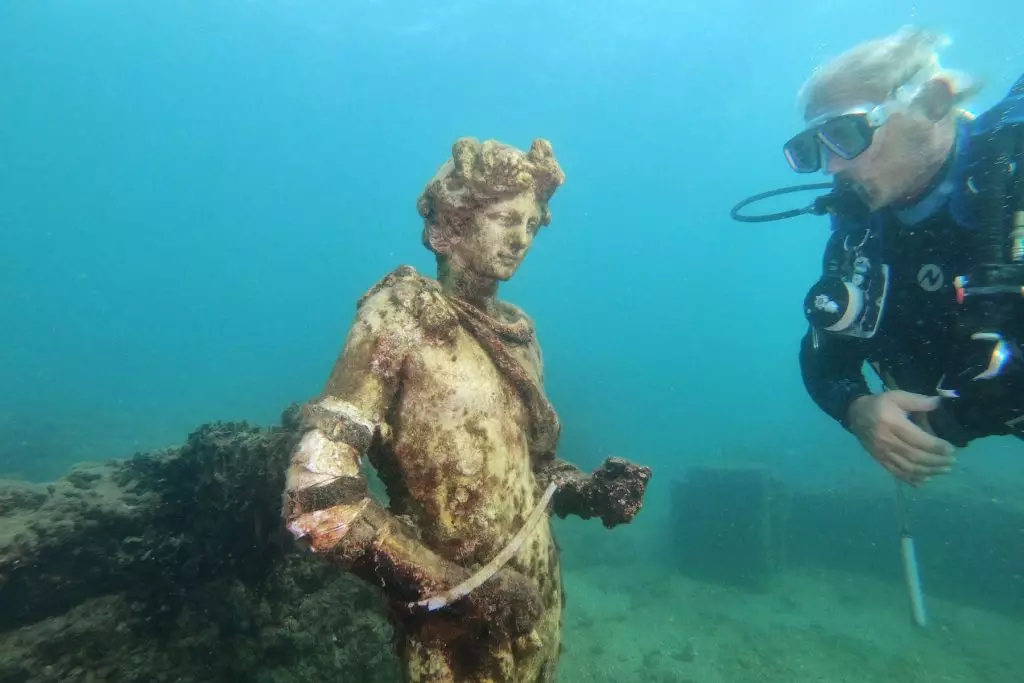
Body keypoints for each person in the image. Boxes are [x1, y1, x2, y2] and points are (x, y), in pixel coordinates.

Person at [281, 136, 651, 683]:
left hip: (539, 604)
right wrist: (458, 590)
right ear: (447, 228)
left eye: (531, 224)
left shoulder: (521, 335)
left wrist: (587, 491)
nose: (521, 238)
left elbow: (531, 471)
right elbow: (316, 498)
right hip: (455, 628)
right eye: (504, 218)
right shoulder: (402, 314)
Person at [784, 26, 1024, 485]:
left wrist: (952, 421)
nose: (832, 165)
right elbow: (824, 352)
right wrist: (856, 407)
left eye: (845, 133)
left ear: (933, 102)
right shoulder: (864, 231)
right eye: (813, 149)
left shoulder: (1012, 182)